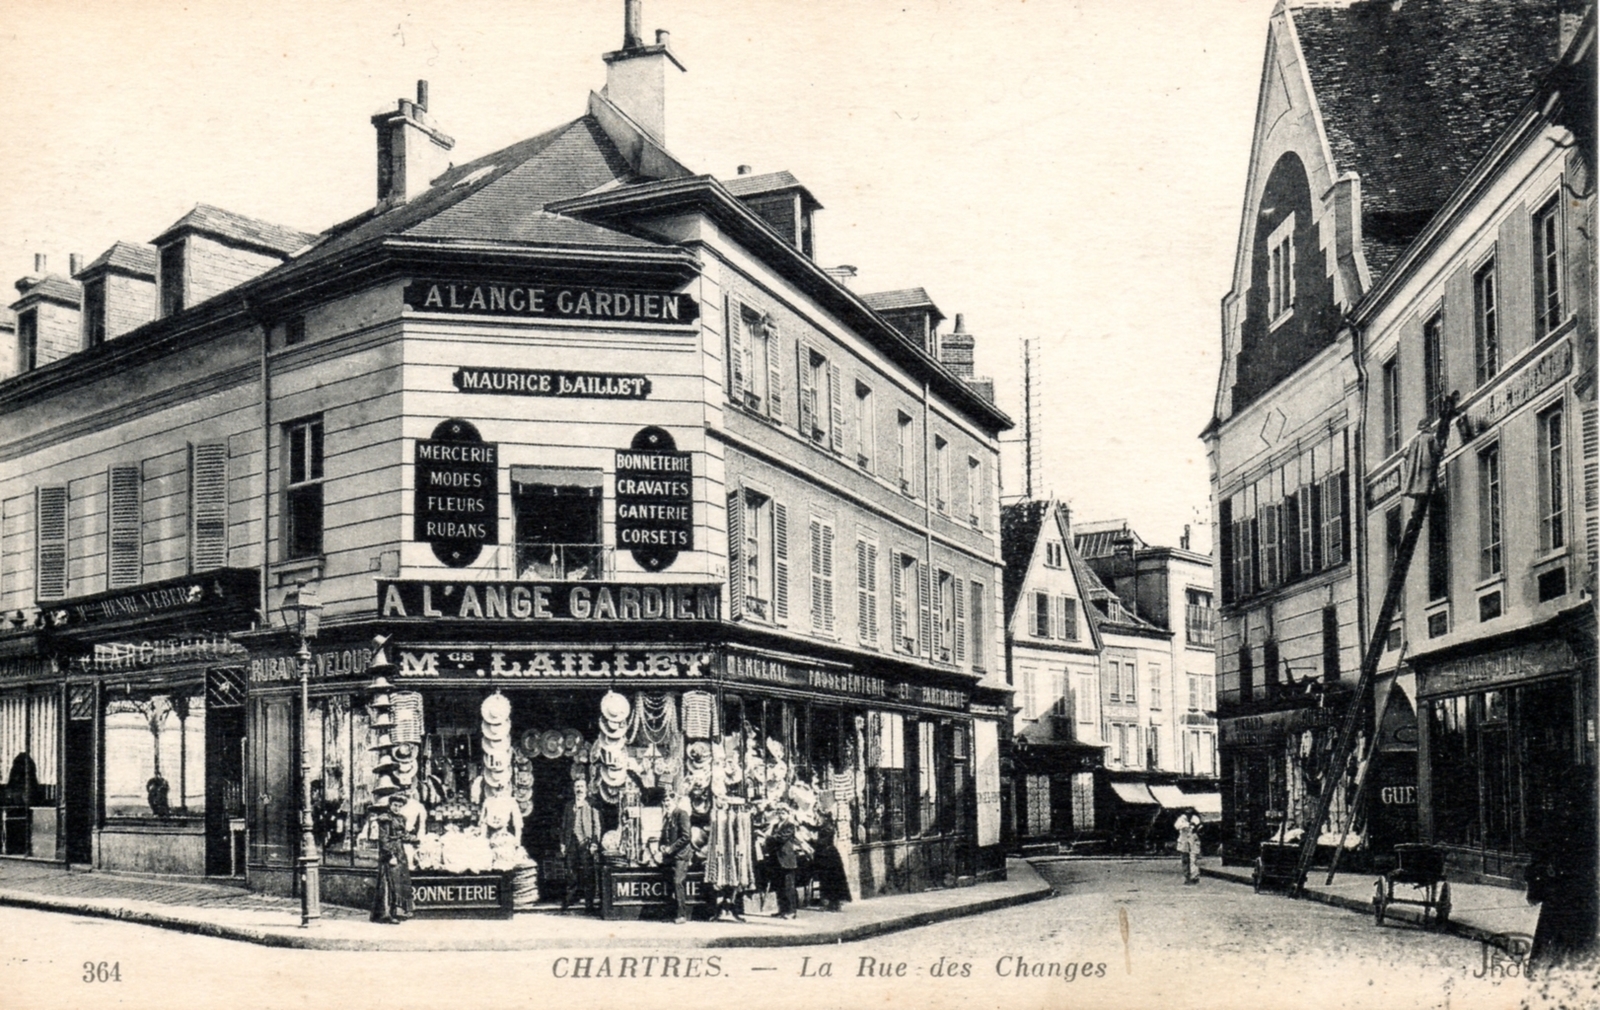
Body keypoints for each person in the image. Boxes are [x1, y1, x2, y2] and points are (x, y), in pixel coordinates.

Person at [661, 785, 710, 924]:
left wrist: (671, 848)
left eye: (669, 802)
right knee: (671, 883)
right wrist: (662, 845)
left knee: (678, 882)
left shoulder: (681, 814)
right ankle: (673, 912)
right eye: (665, 802)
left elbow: (686, 836)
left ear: (675, 802)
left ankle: (682, 915)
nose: (666, 804)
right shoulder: (667, 817)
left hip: (681, 855)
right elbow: (663, 836)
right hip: (670, 856)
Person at [372, 792, 417, 923]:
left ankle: (400, 911)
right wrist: (390, 855)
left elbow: (403, 835)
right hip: (390, 853)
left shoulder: (402, 818)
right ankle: (387, 914)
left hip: (400, 852)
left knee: (401, 882)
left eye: (399, 806)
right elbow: (383, 839)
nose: (397, 808)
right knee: (390, 882)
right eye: (395, 805)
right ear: (390, 805)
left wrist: (415, 839)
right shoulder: (385, 818)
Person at [559, 779, 602, 912]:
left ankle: (589, 904)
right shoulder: (569, 805)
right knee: (571, 872)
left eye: (581, 786)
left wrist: (595, 842)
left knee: (588, 873)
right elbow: (564, 826)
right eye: (577, 786)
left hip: (586, 843)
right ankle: (568, 901)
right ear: (574, 789)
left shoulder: (592, 804)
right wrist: (562, 843)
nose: (579, 789)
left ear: (586, 788)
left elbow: (597, 825)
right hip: (571, 842)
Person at [810, 810, 851, 912]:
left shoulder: (828, 828)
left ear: (825, 818)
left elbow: (822, 842)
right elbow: (814, 828)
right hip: (826, 857)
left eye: (819, 817)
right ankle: (831, 904)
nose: (818, 819)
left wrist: (810, 839)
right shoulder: (825, 826)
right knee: (827, 880)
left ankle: (833, 904)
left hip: (829, 858)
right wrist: (803, 824)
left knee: (831, 881)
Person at [768, 817, 801, 919]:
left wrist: (769, 837)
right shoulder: (775, 826)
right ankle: (782, 910)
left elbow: (781, 838)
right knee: (779, 887)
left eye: (783, 812)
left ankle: (791, 911)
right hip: (776, 860)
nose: (780, 814)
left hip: (787, 859)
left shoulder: (790, 825)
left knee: (788, 887)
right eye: (778, 812)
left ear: (787, 814)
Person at [1175, 809, 1202, 885]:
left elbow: (1198, 827)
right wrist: (1188, 825)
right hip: (1184, 841)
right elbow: (1177, 826)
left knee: (1193, 860)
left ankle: (1194, 877)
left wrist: (1194, 826)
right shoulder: (1181, 819)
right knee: (1185, 860)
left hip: (1193, 841)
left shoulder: (1196, 818)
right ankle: (1187, 877)